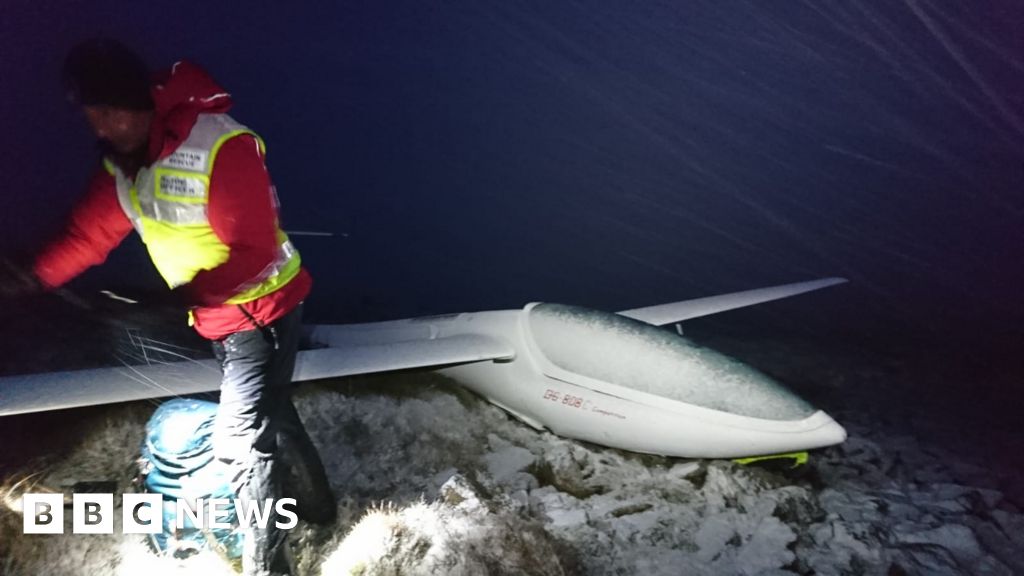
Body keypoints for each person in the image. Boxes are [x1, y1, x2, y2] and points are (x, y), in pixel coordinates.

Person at [16, 38, 334, 576]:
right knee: (272, 415)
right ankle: (319, 506)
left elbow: (254, 251)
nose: (101, 129)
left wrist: (175, 297)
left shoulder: (221, 146)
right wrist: (29, 278)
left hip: (263, 314)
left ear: (137, 102)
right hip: (217, 317)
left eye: (109, 114)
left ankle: (268, 565)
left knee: (241, 445)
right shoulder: (126, 166)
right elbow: (86, 237)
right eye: (93, 117)